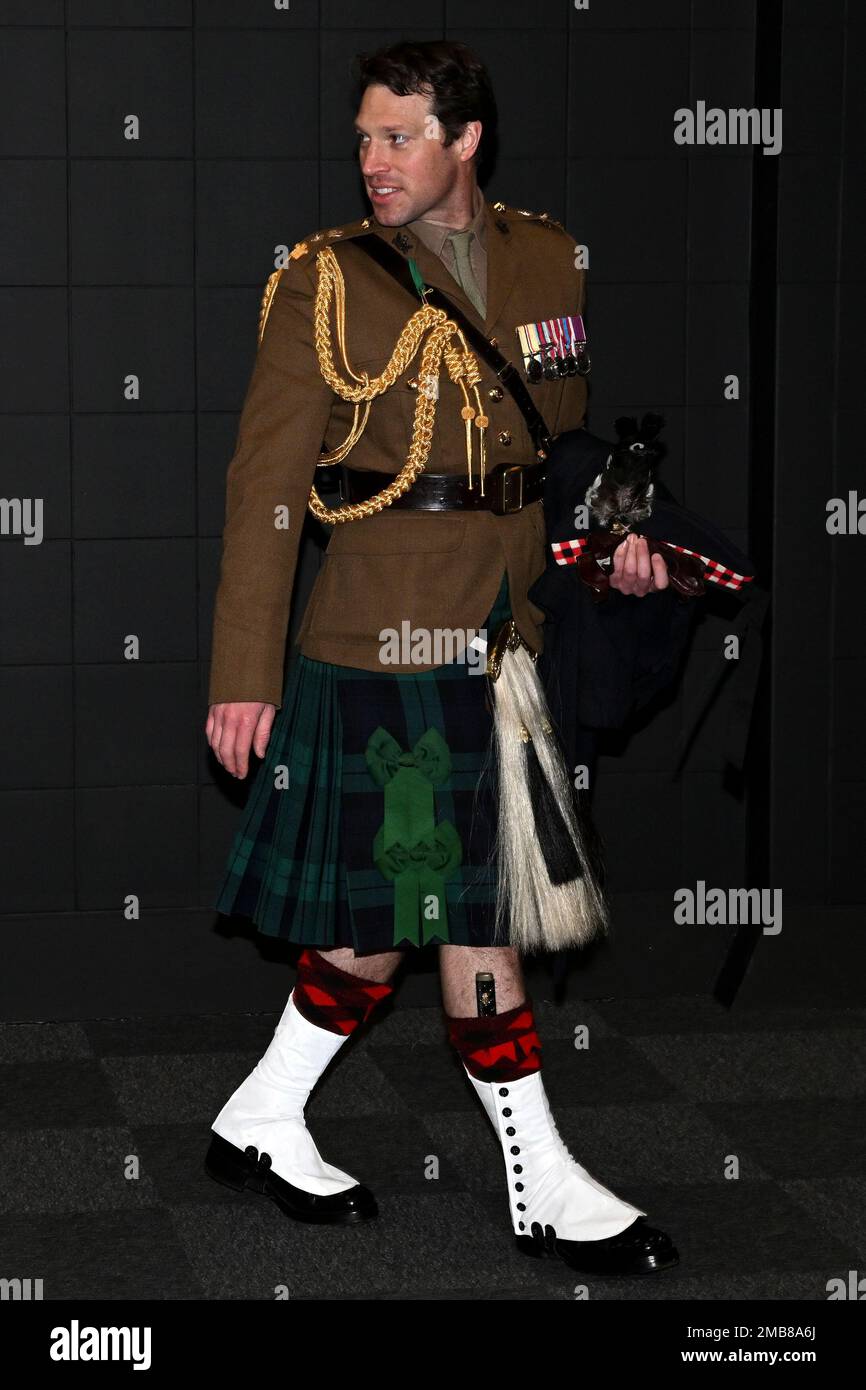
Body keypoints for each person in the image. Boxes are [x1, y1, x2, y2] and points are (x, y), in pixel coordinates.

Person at [203, 38, 679, 1278]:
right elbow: (264, 489)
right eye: (364, 136)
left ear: (464, 140)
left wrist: (616, 547)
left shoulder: (546, 254)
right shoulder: (324, 280)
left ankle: (259, 1113)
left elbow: (559, 456)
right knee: (470, 912)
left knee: (397, 915)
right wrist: (242, 669)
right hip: (379, 639)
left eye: (400, 135)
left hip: (506, 636)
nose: (373, 160)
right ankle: (544, 1183)